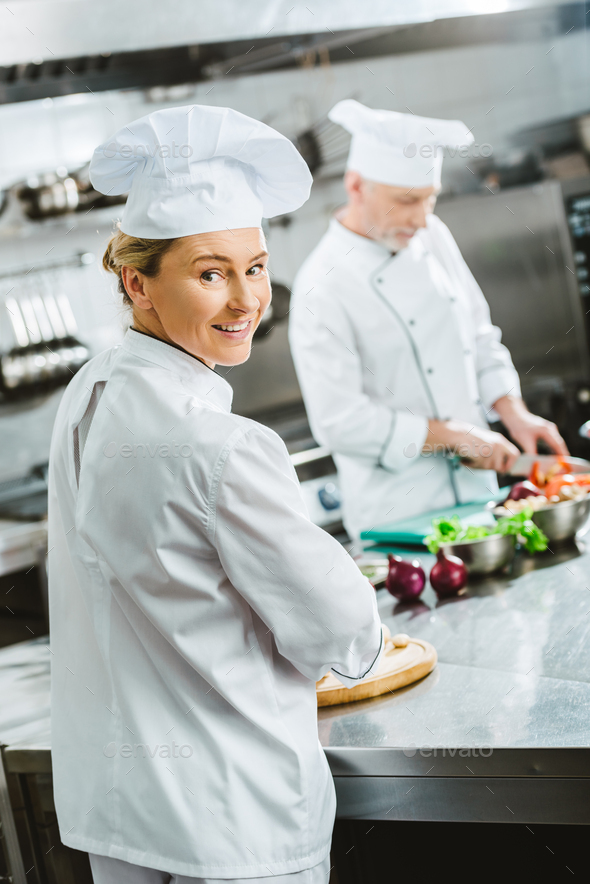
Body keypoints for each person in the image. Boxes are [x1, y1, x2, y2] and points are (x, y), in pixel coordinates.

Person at [48, 104, 383, 884]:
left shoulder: (87, 395)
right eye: (210, 273)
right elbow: (341, 629)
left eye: (256, 266)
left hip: (124, 818)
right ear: (138, 283)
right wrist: (356, 635)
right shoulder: (224, 446)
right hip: (236, 821)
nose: (245, 300)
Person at [288, 99, 568, 545]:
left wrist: (512, 412)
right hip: (399, 515)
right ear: (356, 186)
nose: (421, 218)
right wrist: (452, 436)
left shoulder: (432, 236)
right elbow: (339, 421)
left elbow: (478, 334)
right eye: (406, 201)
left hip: (480, 498)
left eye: (430, 201)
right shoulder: (322, 285)